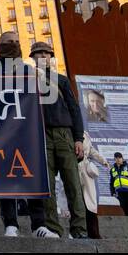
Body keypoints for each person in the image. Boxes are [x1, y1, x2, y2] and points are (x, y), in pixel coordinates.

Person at [0, 34, 58, 238]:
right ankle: (11, 223)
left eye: (16, 42)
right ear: (0, 45)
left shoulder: (29, 71)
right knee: (6, 177)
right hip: (1, 132)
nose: (12, 45)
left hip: (27, 132)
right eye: (8, 42)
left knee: (32, 175)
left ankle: (39, 225)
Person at [29, 41, 88, 239]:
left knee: (72, 183)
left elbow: (74, 109)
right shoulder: (27, 80)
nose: (43, 56)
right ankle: (53, 228)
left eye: (46, 53)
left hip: (65, 133)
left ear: (50, 57)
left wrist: (78, 138)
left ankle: (79, 230)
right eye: (38, 54)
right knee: (47, 185)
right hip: (41, 134)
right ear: (33, 58)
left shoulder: (61, 80)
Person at [79, 132, 107, 238]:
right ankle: (79, 231)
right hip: (73, 168)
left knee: (91, 202)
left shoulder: (85, 134)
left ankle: (94, 232)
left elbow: (91, 151)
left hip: (86, 170)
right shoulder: (69, 131)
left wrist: (103, 161)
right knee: (78, 200)